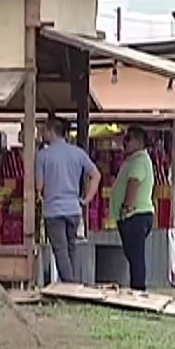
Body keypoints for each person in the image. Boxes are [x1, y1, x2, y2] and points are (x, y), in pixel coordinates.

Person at [35, 117, 101, 283]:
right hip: (73, 208)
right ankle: (73, 282)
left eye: (44, 131)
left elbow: (39, 185)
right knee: (71, 247)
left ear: (51, 131)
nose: (42, 134)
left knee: (60, 249)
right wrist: (86, 199)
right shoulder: (78, 153)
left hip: (53, 209)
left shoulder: (43, 155)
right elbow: (96, 175)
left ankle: (70, 285)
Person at [110, 126, 155, 291]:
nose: (125, 142)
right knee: (133, 254)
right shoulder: (134, 160)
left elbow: (133, 183)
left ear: (139, 141)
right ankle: (136, 286)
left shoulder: (139, 160)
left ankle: (138, 288)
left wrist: (126, 206)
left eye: (129, 139)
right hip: (134, 215)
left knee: (136, 256)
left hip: (136, 214)